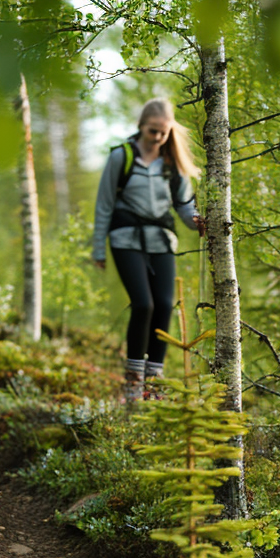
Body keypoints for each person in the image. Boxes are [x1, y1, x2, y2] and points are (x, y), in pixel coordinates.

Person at [92, 97, 204, 401]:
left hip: (162, 240)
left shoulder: (172, 165)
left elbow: (184, 207)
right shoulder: (121, 157)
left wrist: (199, 222)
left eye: (163, 133)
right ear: (141, 126)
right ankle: (132, 379)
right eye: (153, 131)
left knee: (165, 304)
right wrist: (98, 248)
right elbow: (104, 205)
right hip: (124, 238)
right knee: (143, 304)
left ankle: (154, 382)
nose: (157, 137)